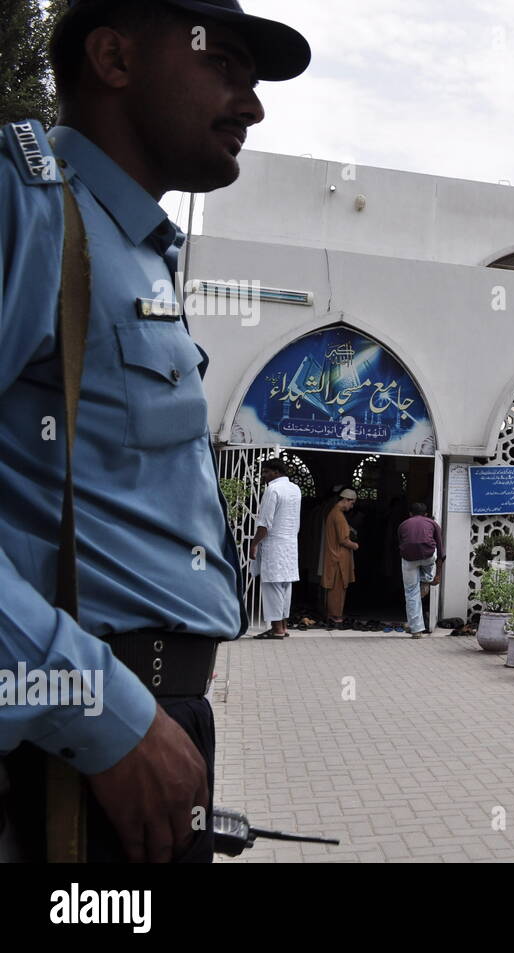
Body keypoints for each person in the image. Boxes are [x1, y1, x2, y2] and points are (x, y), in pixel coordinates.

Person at [0, 0, 310, 862]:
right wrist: (98, 707)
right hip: (63, 753)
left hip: (142, 733)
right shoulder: (29, 212)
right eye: (226, 66)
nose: (251, 105)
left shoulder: (133, 247)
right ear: (114, 57)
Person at [250, 458, 301, 639]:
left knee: (272, 586)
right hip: (290, 544)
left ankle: (277, 629)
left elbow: (265, 524)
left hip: (274, 544)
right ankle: (284, 627)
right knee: (286, 586)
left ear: (276, 473)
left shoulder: (273, 490)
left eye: (266, 472)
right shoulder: (295, 489)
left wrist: (254, 543)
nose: (264, 476)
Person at [397, 502, 445, 637]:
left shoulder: (403, 525)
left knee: (411, 592)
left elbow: (401, 544)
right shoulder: (433, 523)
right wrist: (438, 575)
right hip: (428, 557)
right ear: (426, 514)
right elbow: (441, 551)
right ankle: (426, 580)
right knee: (428, 567)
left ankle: (416, 630)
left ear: (410, 514)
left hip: (408, 559)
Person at [322, 488, 360, 624]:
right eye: (352, 503)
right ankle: (335, 615)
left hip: (335, 556)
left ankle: (333, 613)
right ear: (346, 500)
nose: (352, 506)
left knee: (335, 587)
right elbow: (343, 540)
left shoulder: (334, 513)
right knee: (337, 588)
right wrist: (355, 545)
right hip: (338, 557)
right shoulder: (337, 515)